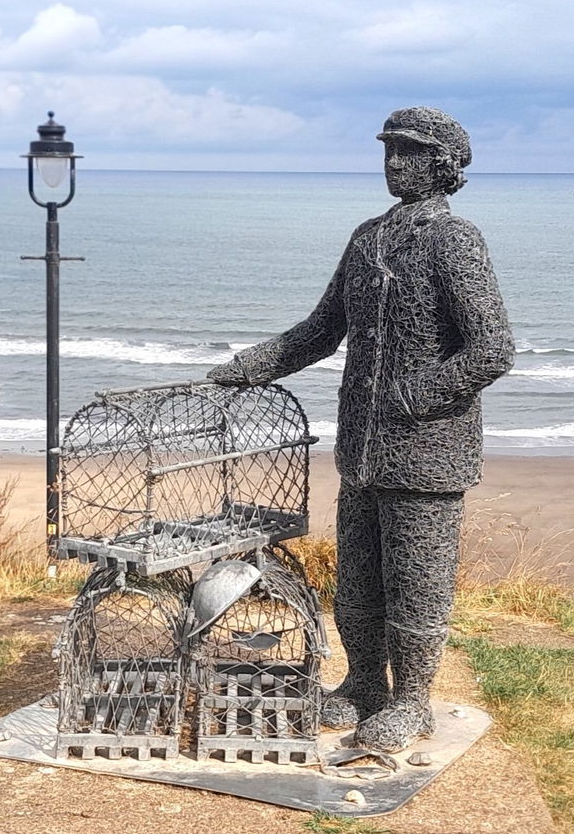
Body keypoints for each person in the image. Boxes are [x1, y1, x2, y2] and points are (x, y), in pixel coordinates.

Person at [207, 107, 514, 752]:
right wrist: (247, 367)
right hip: (363, 454)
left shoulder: (454, 242)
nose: (394, 162)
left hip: (429, 453)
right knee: (357, 582)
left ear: (443, 164)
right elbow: (322, 329)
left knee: (417, 582)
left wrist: (413, 396)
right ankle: (365, 685)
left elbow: (491, 347)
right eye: (389, 149)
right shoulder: (366, 237)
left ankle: (412, 701)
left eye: (409, 151)